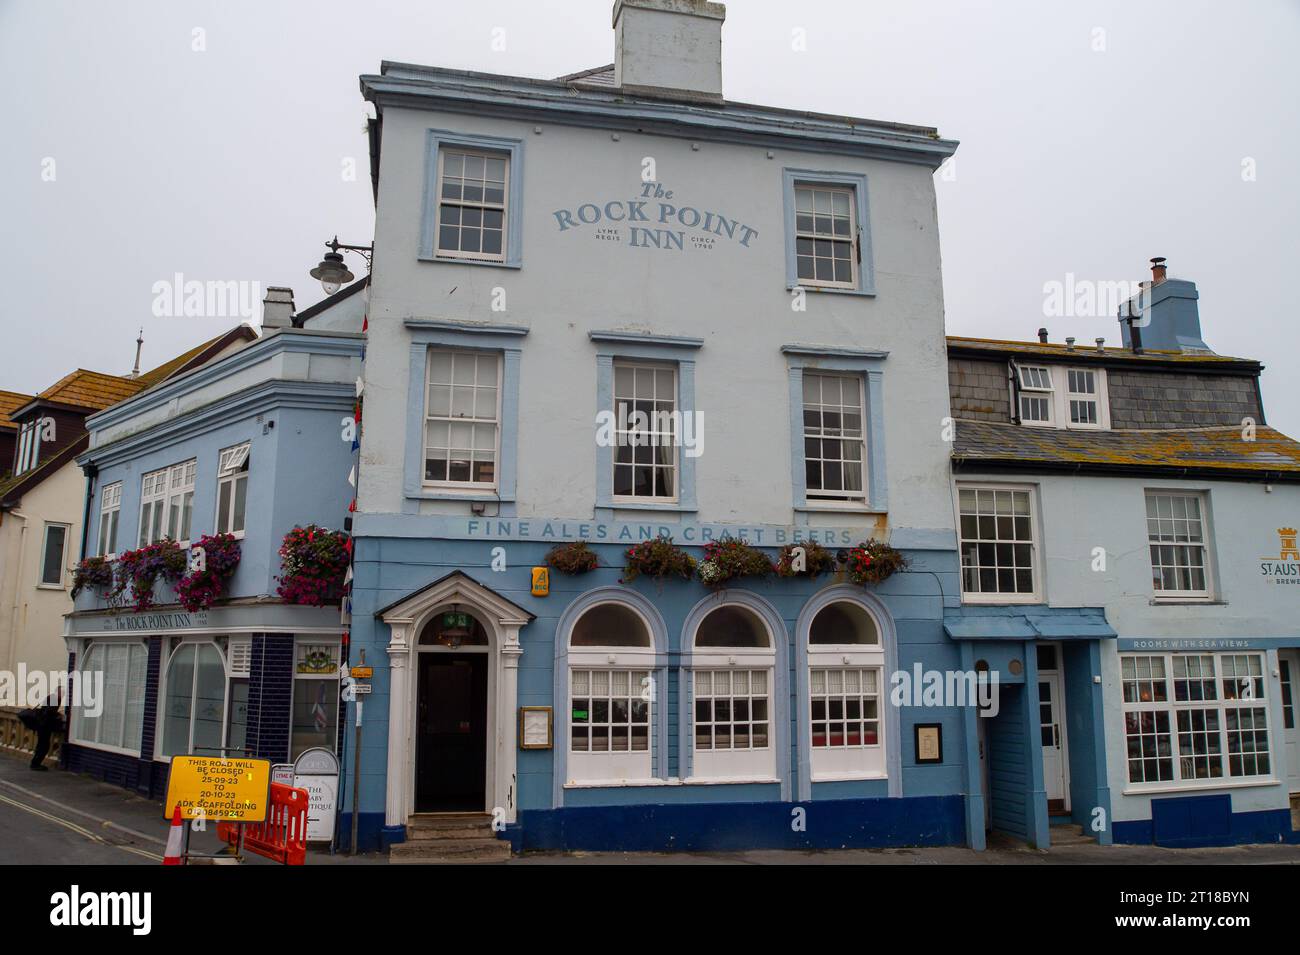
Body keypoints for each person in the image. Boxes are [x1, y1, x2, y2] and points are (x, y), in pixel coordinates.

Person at [20, 692, 63, 771]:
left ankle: (35, 763)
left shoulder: (51, 696)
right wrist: (57, 715)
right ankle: (35, 764)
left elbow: (45, 709)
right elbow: (49, 712)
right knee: (44, 745)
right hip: (44, 726)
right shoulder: (56, 699)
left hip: (41, 724)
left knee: (41, 744)